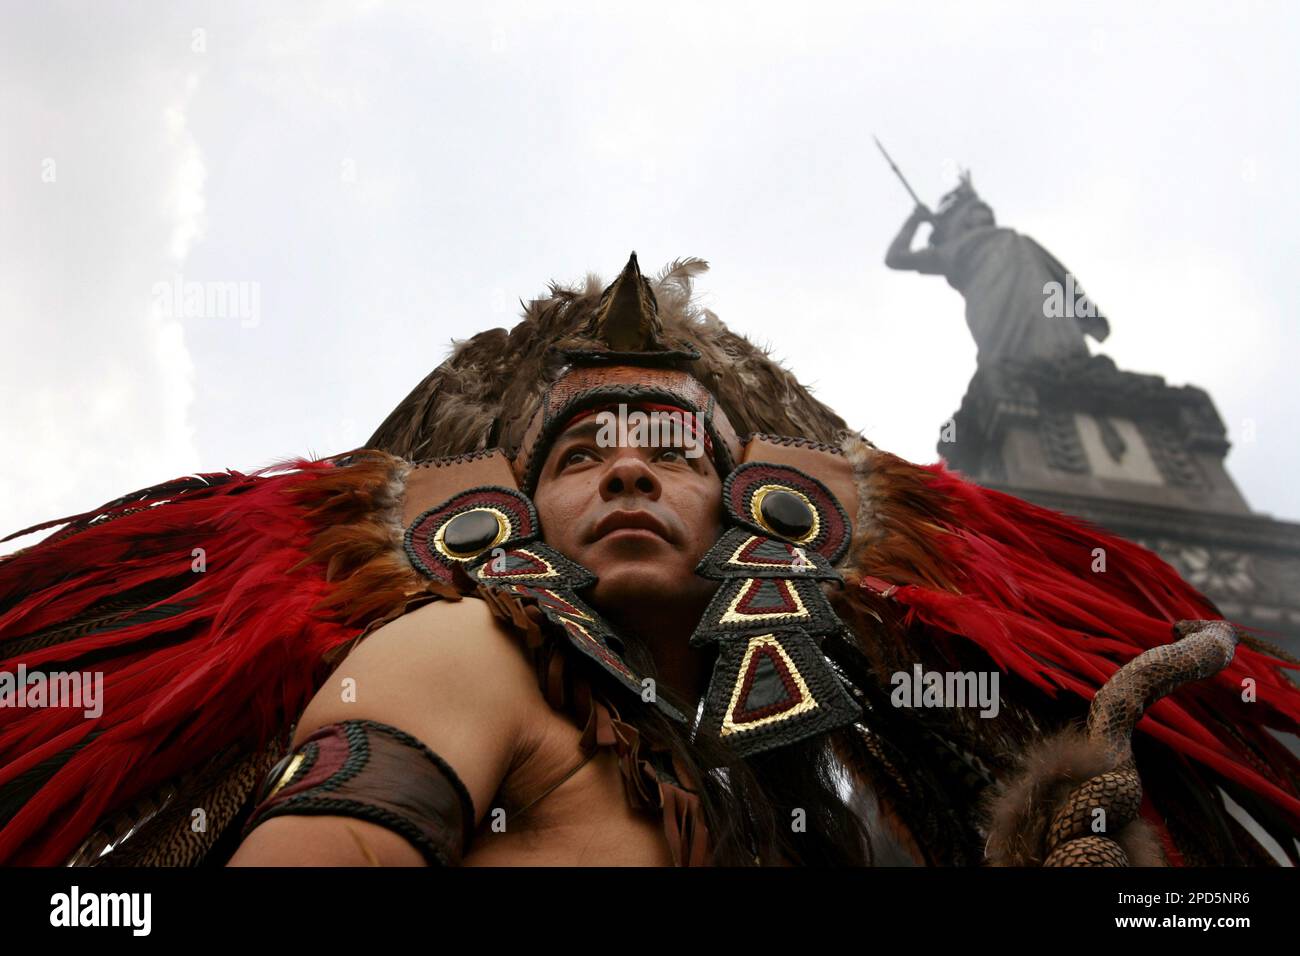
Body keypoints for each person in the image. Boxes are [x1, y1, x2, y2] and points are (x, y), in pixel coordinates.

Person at [2, 253, 1298, 867]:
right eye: (581, 453)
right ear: (521, 510)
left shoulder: (809, 788)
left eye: (667, 449)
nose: (626, 466)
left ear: (749, 511)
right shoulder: (459, 654)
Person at [885, 173, 1110, 365]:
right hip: (996, 316)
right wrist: (913, 221)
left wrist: (1085, 310)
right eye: (977, 209)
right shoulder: (958, 248)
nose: (986, 212)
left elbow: (1060, 278)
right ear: (963, 219)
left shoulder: (1016, 240)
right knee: (1008, 365)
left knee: (1064, 355)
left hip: (1049, 319)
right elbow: (896, 258)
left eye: (985, 208)